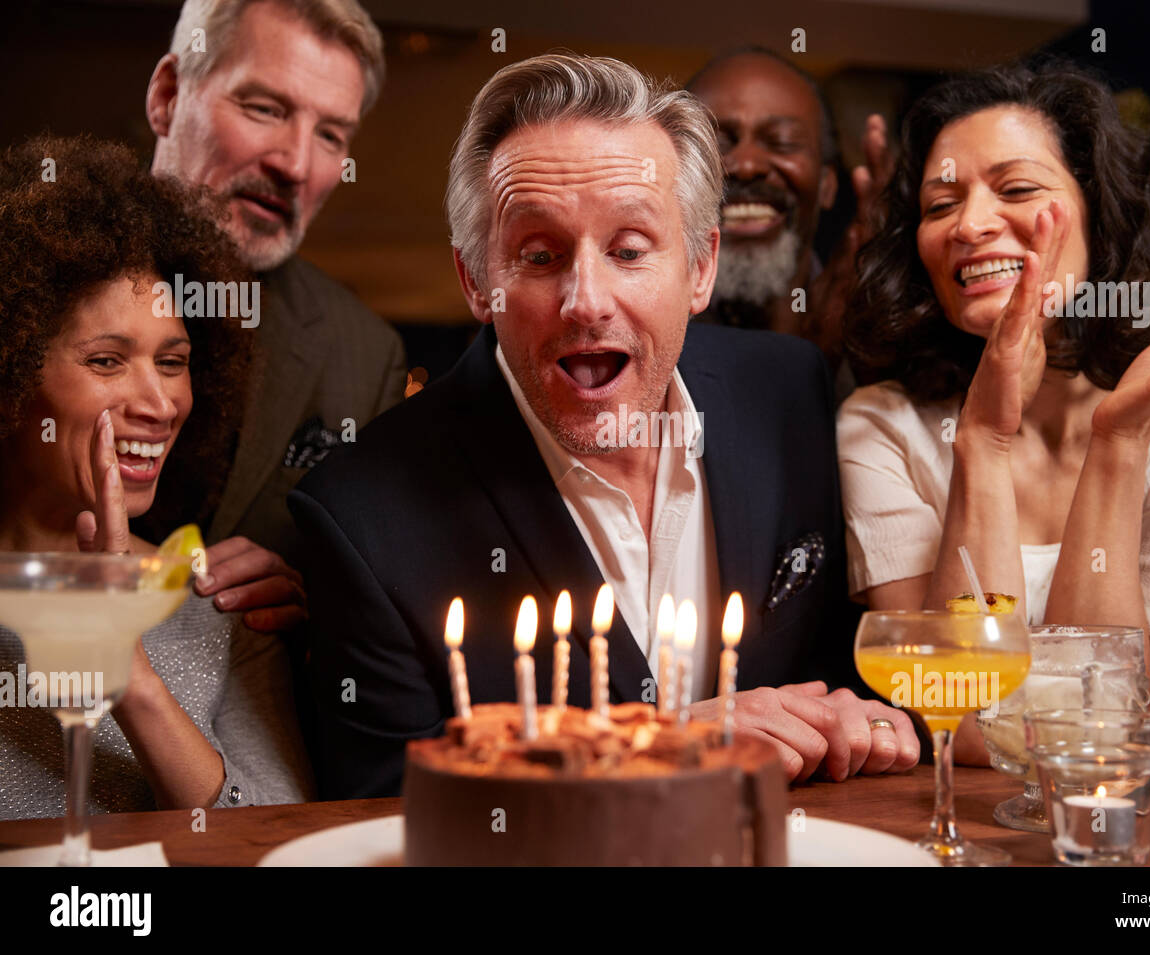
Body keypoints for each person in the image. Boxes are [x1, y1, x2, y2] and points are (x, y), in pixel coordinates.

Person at [288, 53, 921, 799]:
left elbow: (841, 691)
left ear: (699, 267)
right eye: (538, 255)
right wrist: (660, 748)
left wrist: (869, 725)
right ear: (475, 282)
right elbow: (390, 815)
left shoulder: (788, 391)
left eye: (628, 250)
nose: (585, 300)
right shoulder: (359, 516)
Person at [837, 62, 1150, 758]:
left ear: (1099, 214)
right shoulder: (881, 425)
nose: (970, 224)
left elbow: (1105, 726)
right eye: (939, 206)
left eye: (1017, 189)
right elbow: (959, 718)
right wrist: (984, 441)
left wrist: (1121, 440)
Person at [0, 135, 314, 818]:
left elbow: (279, 848)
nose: (160, 403)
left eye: (173, 362)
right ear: (13, 377)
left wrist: (129, 674)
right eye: (107, 361)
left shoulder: (220, 608)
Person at [144, 0, 408, 633]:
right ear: (168, 95)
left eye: (330, 136)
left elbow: (372, 607)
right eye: (266, 109)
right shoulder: (26, 275)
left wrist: (309, 598)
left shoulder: (366, 357)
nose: (294, 164)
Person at [686, 48, 892, 379]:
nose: (747, 165)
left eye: (781, 142)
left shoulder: (879, 349)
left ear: (827, 184)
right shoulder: (634, 337)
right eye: (718, 144)